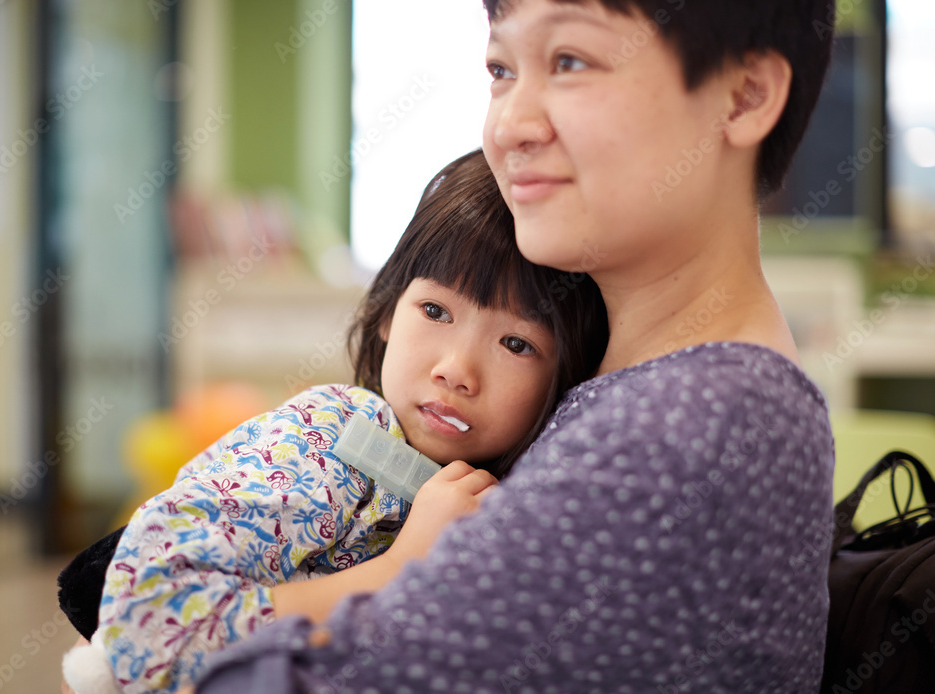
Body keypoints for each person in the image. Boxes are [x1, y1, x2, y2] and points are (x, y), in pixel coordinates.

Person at [182, 1, 838, 692]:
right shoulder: (639, 381)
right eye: (500, 68)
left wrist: (150, 650)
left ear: (744, 97)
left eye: (570, 62)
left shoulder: (682, 429)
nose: (509, 126)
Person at [60, 149, 608, 694]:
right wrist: (403, 565)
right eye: (436, 311)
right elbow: (153, 615)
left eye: (516, 343)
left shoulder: (525, 496)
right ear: (390, 311)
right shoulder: (336, 436)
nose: (456, 371)